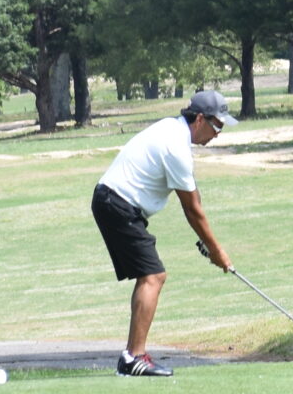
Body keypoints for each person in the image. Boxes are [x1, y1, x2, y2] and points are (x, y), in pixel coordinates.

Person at [91, 90, 236, 377]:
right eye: (216, 125)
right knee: (153, 276)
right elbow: (193, 208)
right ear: (199, 119)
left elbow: (193, 203)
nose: (217, 134)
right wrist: (217, 251)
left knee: (150, 275)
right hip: (117, 204)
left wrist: (211, 245)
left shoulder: (174, 131)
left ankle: (133, 356)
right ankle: (134, 358)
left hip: (115, 204)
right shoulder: (175, 146)